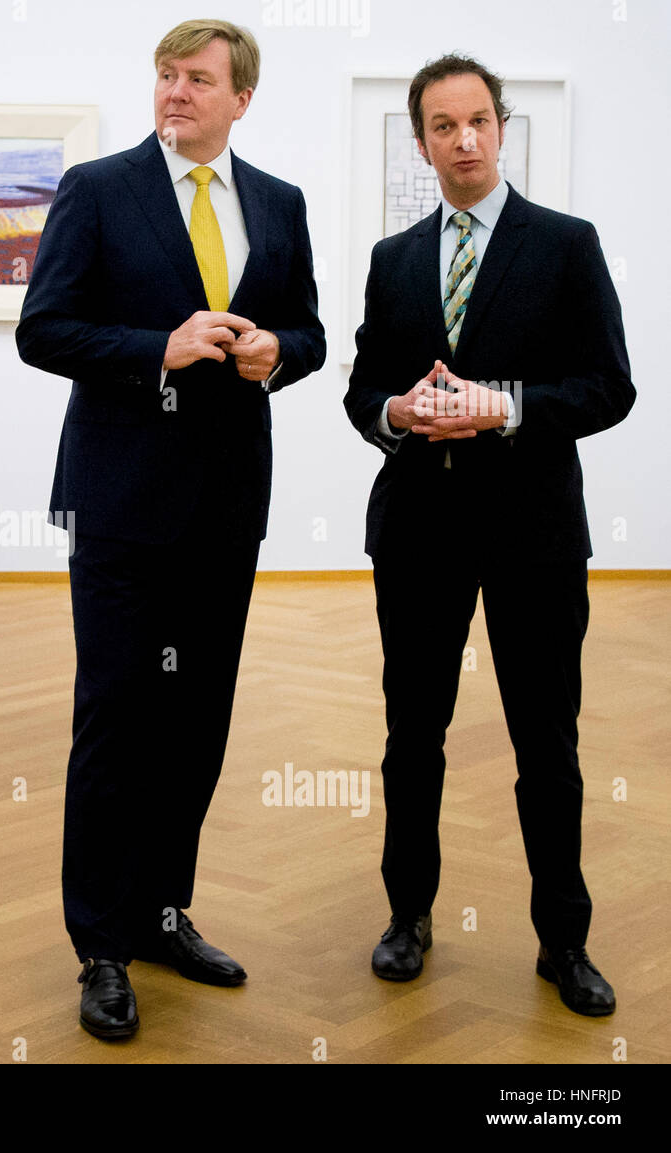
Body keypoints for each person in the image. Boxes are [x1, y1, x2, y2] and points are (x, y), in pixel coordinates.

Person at [16, 18, 324, 1039]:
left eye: (198, 79)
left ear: (241, 98)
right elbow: (44, 330)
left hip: (225, 507)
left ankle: (158, 911)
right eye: (164, 76)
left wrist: (276, 348)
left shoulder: (277, 205)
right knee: (115, 721)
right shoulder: (99, 190)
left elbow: (314, 334)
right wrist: (163, 345)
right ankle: (100, 946)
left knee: (195, 722)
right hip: (119, 504)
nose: (176, 92)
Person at [343, 53, 634, 1016]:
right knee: (411, 736)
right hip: (419, 532)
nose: (463, 140)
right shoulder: (393, 261)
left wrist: (499, 407)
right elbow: (359, 395)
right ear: (420, 140)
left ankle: (565, 940)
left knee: (545, 743)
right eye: (442, 126)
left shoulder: (566, 243)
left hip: (534, 534)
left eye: (478, 122)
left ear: (501, 128)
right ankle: (406, 919)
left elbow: (608, 389)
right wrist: (398, 409)